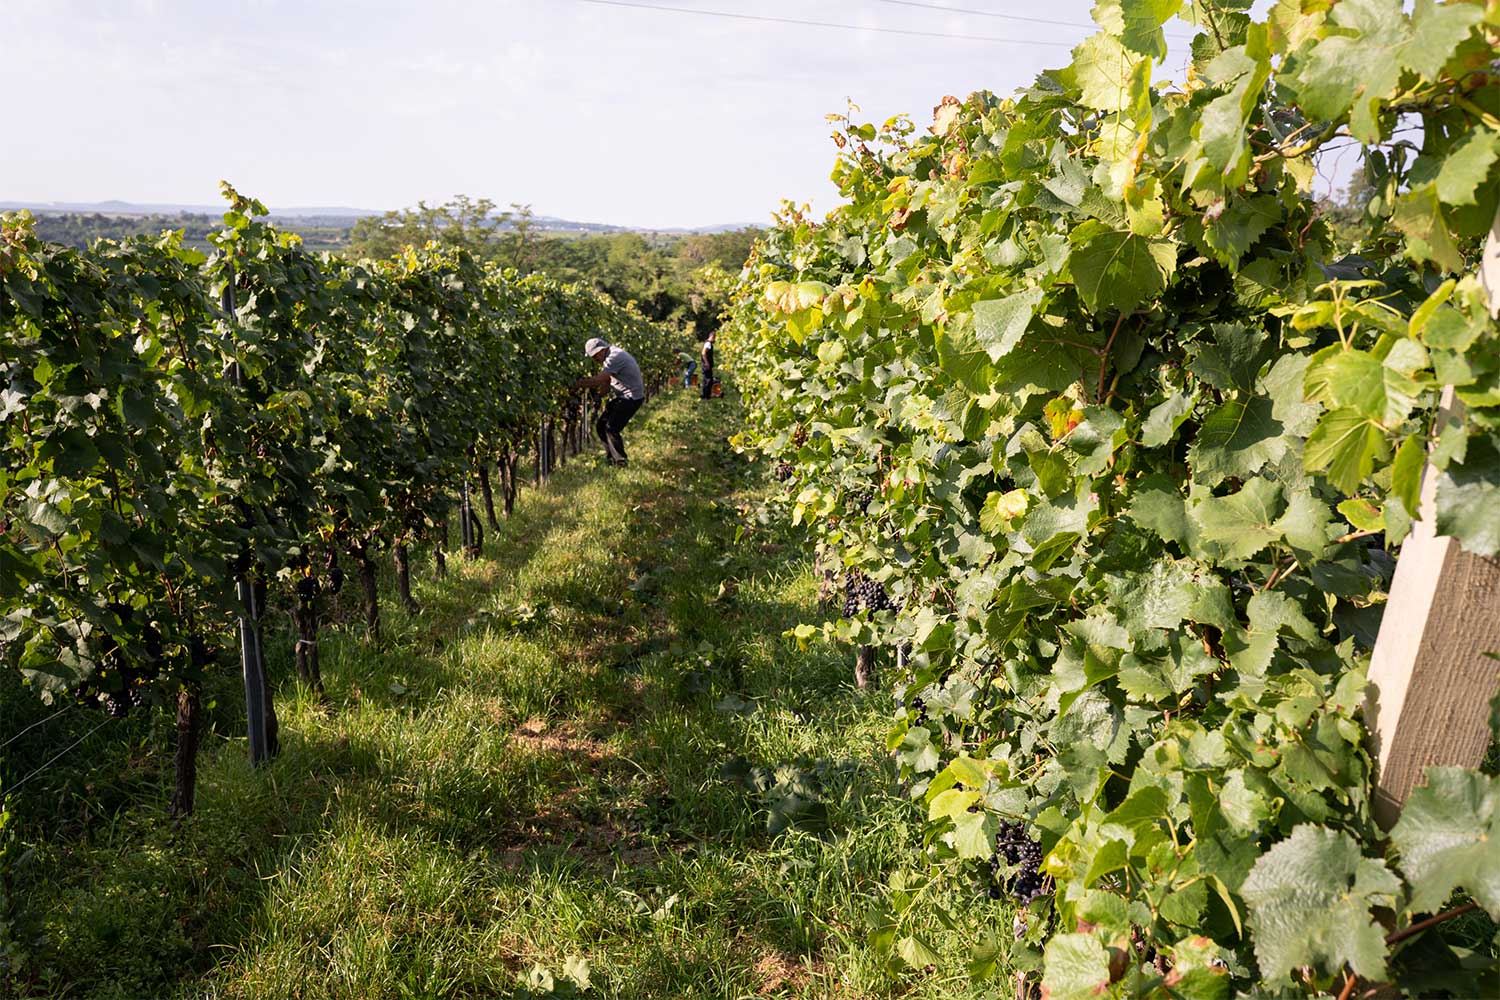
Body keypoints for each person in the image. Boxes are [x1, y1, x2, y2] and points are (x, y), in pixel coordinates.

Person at [573, 337, 645, 467]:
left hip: (631, 398)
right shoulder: (610, 356)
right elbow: (606, 382)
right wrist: (599, 396)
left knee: (611, 427)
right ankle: (611, 458)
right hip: (625, 396)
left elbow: (598, 381)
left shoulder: (614, 356)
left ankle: (620, 461)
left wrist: (576, 384)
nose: (594, 360)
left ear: (600, 351)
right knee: (601, 426)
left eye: (594, 357)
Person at [700, 329, 716, 400]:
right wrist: (707, 363)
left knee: (705, 379)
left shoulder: (707, 343)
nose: (715, 340)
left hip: (705, 364)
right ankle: (706, 396)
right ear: (712, 337)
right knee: (708, 380)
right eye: (714, 338)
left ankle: (704, 395)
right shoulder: (708, 343)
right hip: (706, 365)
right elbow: (703, 353)